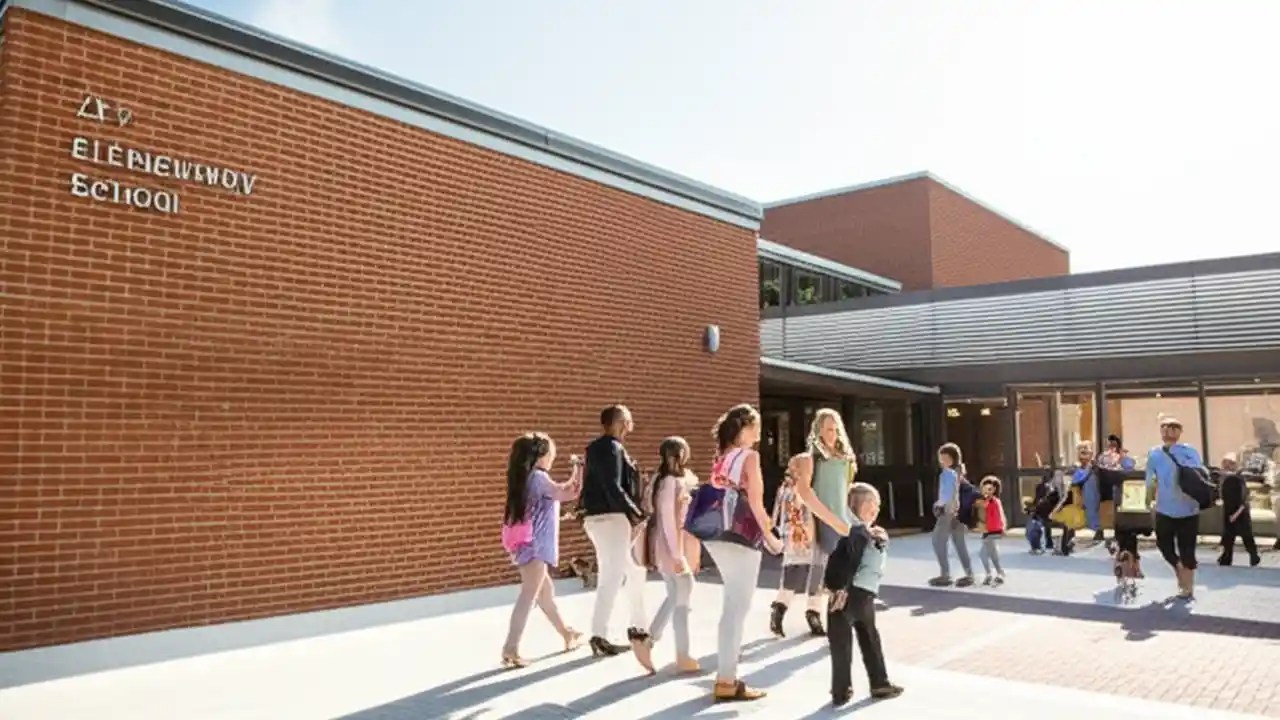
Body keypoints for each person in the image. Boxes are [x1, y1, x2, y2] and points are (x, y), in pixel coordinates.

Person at [700, 404, 782, 703]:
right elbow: (757, 504)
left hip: (716, 535)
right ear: (744, 429)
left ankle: (726, 675)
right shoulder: (750, 456)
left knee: (731, 605)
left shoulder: (721, 457)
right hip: (742, 536)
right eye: (756, 428)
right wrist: (772, 538)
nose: (759, 434)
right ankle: (726, 679)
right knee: (739, 607)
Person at [500, 432, 585, 668]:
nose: (551, 459)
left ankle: (567, 634)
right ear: (540, 456)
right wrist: (579, 468)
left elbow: (542, 507)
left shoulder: (526, 478)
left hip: (528, 545)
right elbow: (569, 492)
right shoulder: (538, 477)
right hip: (535, 547)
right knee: (529, 595)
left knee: (545, 595)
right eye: (550, 454)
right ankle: (511, 648)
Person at [770, 408, 857, 637]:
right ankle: (781, 609)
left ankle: (815, 613)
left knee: (826, 570)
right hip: (814, 519)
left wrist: (847, 520)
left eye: (836, 429)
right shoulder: (810, 458)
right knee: (801, 568)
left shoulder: (845, 459)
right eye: (828, 429)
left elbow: (844, 493)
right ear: (818, 430)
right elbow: (805, 493)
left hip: (838, 519)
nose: (833, 434)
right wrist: (832, 520)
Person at [824, 483, 903, 707]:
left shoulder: (865, 532)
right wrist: (840, 588)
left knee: (851, 643)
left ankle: (844, 690)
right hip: (849, 593)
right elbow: (845, 563)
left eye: (878, 504)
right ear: (859, 506)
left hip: (859, 595)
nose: (876, 508)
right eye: (872, 504)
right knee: (858, 642)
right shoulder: (855, 531)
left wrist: (879, 540)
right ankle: (876, 684)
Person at [580, 405, 648, 657]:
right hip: (612, 519)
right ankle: (600, 635)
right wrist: (636, 512)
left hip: (595, 519)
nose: (631, 425)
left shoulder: (594, 449)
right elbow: (613, 486)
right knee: (612, 576)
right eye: (629, 421)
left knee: (633, 572)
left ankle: (639, 625)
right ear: (621, 422)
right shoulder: (613, 448)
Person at [633, 437, 701, 674]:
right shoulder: (670, 482)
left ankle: (667, 647)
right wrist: (676, 555)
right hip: (670, 547)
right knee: (682, 592)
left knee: (678, 596)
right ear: (679, 454)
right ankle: (661, 645)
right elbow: (667, 521)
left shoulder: (664, 480)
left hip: (668, 546)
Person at [1145, 417, 1205, 601]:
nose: (1169, 431)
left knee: (1188, 549)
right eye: (1165, 427)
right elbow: (1150, 480)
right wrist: (1148, 501)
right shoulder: (1154, 453)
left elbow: (1200, 475)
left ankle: (1188, 588)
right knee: (1164, 545)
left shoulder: (1190, 451)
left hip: (1188, 508)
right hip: (1165, 507)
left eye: (1173, 427)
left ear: (1180, 431)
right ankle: (1180, 569)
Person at [769, 466, 816, 638]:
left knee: (793, 577)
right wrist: (807, 536)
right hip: (800, 537)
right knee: (813, 577)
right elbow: (799, 516)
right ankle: (813, 615)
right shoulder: (797, 491)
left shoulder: (784, 489)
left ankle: (779, 611)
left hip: (791, 536)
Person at [928, 443, 975, 587]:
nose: (942, 461)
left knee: (938, 540)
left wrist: (940, 504)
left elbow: (948, 493)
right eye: (941, 458)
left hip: (948, 511)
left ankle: (945, 574)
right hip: (958, 513)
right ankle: (969, 574)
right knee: (959, 542)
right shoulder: (959, 473)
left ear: (952, 459)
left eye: (945, 458)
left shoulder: (948, 474)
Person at [1218, 452, 1261, 568]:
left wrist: (1236, 514)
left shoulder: (1237, 479)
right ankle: (1226, 557)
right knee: (1228, 537)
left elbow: (1243, 499)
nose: (1226, 466)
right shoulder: (1225, 479)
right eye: (1225, 463)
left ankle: (1253, 556)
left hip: (1239, 512)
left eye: (1230, 463)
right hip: (1229, 511)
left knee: (1246, 536)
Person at [1071, 442, 1104, 545]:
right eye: (1082, 453)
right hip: (1080, 495)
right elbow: (1075, 480)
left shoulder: (1095, 468)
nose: (1084, 456)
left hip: (1093, 495)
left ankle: (1097, 529)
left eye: (1086, 453)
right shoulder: (1076, 468)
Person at [976, 476, 1007, 586]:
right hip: (988, 531)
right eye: (984, 489)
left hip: (993, 531)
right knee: (992, 553)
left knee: (983, 554)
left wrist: (1002, 527)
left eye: (989, 489)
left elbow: (999, 516)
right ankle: (1000, 573)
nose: (986, 491)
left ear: (994, 490)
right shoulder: (984, 501)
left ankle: (989, 574)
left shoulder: (993, 501)